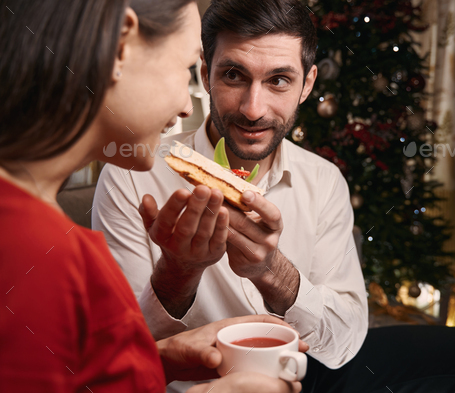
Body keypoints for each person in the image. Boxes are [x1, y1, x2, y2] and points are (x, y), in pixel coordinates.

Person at [92, 0, 455, 392]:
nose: (254, 109)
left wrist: (274, 272)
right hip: (200, 384)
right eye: (233, 75)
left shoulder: (323, 180)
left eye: (278, 80)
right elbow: (121, 355)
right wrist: (178, 272)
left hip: (302, 372)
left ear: (307, 84)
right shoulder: (133, 174)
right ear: (205, 74)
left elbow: (344, 342)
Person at [0, 1, 304, 392]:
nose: (185, 105)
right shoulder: (42, 255)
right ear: (122, 44)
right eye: (188, 67)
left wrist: (154, 359)